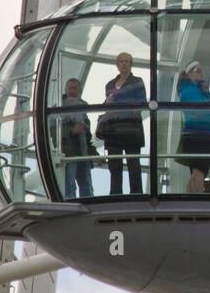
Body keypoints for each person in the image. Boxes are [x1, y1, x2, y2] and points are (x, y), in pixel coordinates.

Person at [98, 51, 147, 196]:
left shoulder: (137, 81)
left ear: (131, 65)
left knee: (133, 165)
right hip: (113, 129)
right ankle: (115, 194)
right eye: (122, 61)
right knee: (114, 165)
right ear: (117, 65)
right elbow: (106, 106)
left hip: (131, 128)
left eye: (127, 61)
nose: (124, 64)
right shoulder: (110, 85)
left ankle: (136, 195)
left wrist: (121, 104)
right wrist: (107, 103)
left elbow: (142, 102)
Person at [177, 60, 210, 194]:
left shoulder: (197, 89)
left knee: (198, 172)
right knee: (199, 172)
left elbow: (209, 105)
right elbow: (202, 110)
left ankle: (192, 196)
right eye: (198, 71)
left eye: (201, 71)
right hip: (198, 134)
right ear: (190, 74)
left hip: (201, 134)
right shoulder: (189, 89)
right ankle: (195, 197)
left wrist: (206, 92)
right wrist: (207, 96)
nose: (201, 74)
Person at [54, 77, 95, 201]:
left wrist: (93, 154)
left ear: (80, 91)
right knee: (70, 188)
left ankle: (89, 207)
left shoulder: (83, 109)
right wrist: (72, 131)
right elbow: (52, 131)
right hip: (68, 154)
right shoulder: (57, 108)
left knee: (87, 187)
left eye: (75, 88)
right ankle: (71, 209)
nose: (72, 91)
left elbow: (87, 136)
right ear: (65, 90)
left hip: (83, 154)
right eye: (70, 88)